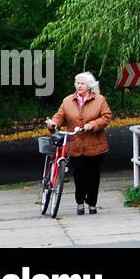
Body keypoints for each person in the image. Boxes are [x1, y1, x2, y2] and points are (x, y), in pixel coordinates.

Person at [47, 72, 113, 215]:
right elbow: (59, 116)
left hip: (95, 145)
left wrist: (94, 124)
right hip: (76, 145)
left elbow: (106, 117)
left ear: (89, 86)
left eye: (82, 83)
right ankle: (80, 202)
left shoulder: (100, 100)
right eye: (77, 83)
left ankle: (92, 203)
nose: (79, 86)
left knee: (93, 176)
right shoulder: (68, 101)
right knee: (79, 174)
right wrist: (53, 123)